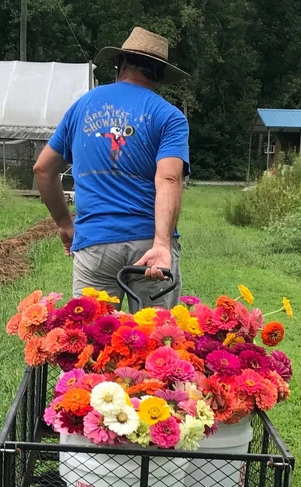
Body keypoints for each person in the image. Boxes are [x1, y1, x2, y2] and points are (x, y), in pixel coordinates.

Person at [33, 27, 190, 311]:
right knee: (154, 344)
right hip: (149, 246)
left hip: (94, 244)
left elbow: (43, 169)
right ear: (159, 75)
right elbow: (168, 178)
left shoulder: (82, 107)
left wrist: (64, 225)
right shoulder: (169, 117)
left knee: (93, 344)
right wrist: (162, 244)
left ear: (120, 64)